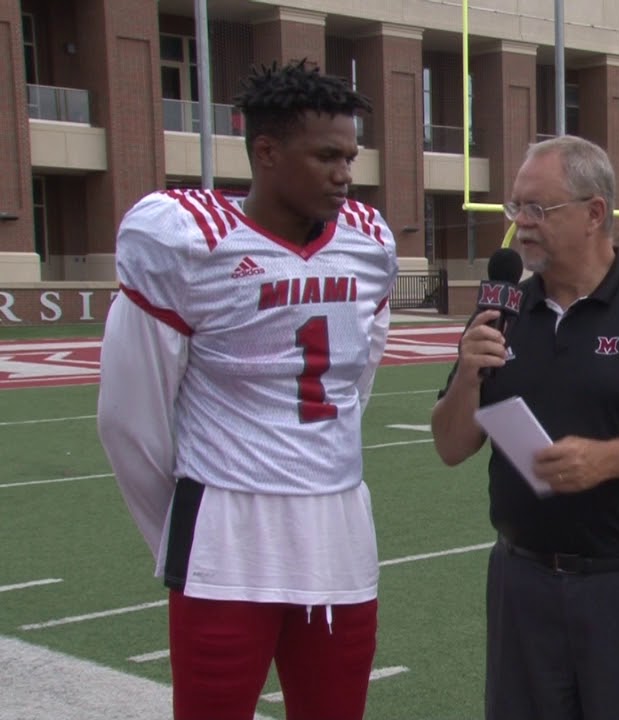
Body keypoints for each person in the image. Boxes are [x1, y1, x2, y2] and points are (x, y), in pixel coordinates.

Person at [96, 60, 396, 720]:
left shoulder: (368, 242)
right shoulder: (188, 240)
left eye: (349, 157)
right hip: (227, 530)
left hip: (338, 527)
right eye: (326, 157)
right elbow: (130, 420)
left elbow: (355, 386)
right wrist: (184, 531)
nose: (345, 175)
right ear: (266, 152)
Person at [431, 135, 619, 720]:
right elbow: (450, 446)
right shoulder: (502, 310)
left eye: (537, 208)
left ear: (595, 213)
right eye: (515, 207)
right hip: (523, 583)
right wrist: (467, 375)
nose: (520, 223)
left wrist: (605, 460)